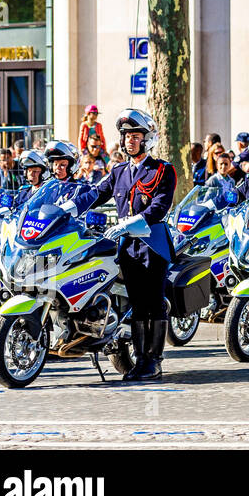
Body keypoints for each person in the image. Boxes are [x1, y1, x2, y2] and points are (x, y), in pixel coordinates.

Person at [63, 110, 177, 382]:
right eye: (126, 137)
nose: (130, 141)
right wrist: (69, 207)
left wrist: (131, 223)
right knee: (137, 304)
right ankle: (139, 361)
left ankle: (154, 361)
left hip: (153, 244)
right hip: (127, 247)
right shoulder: (118, 171)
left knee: (153, 303)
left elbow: (159, 207)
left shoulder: (163, 170)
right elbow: (95, 193)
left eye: (136, 136)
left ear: (148, 139)